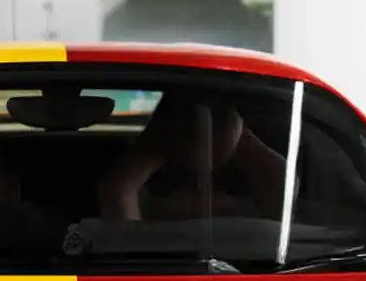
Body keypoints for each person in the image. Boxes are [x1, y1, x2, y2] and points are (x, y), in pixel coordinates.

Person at [96, 93, 293, 221]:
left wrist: (239, 139)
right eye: (188, 127)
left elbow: (285, 194)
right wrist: (160, 143)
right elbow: (117, 189)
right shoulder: (147, 188)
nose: (201, 133)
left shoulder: (248, 187)